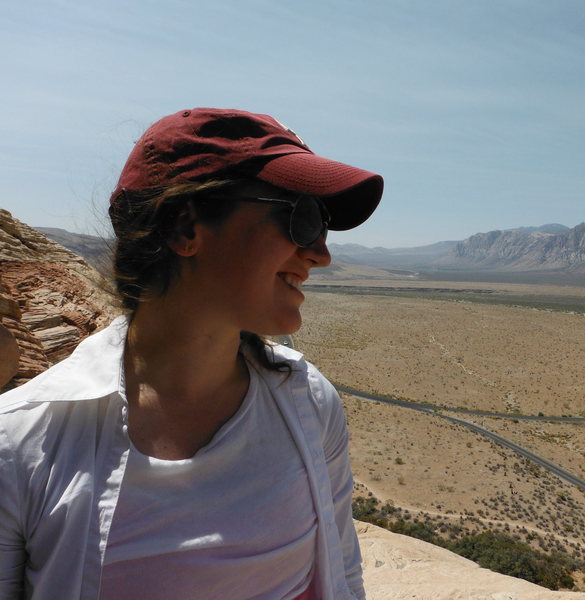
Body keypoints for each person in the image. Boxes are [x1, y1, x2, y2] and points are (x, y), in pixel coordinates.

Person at [0, 108, 383, 600]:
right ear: (185, 227)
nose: (320, 253)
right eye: (302, 218)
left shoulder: (309, 403)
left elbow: (343, 578)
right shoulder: (22, 442)